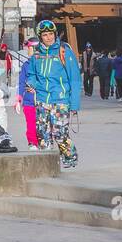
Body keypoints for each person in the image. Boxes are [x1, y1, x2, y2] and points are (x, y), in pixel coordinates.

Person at [24, 21, 81, 170]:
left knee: (60, 133)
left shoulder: (64, 51)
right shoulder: (36, 55)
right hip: (42, 99)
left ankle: (69, 157)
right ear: (40, 37)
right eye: (44, 35)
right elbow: (31, 75)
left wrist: (74, 104)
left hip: (60, 99)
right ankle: (47, 161)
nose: (48, 38)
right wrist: (31, 84)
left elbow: (74, 78)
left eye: (50, 34)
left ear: (55, 34)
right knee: (42, 133)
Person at [18, 39, 40, 150]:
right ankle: (32, 142)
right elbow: (21, 81)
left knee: (42, 123)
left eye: (30, 48)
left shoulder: (44, 63)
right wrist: (19, 97)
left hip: (42, 99)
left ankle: (42, 140)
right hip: (29, 100)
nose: (28, 51)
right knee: (31, 122)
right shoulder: (26, 65)